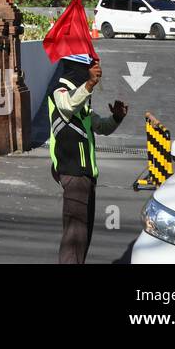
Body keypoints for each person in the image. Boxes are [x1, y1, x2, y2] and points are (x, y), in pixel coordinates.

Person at [49, 53, 128, 264]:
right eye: (91, 63)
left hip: (86, 174)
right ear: (78, 67)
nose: (96, 66)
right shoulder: (60, 89)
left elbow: (100, 126)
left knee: (82, 236)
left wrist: (116, 117)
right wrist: (90, 83)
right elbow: (66, 105)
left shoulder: (82, 97)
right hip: (73, 171)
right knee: (74, 238)